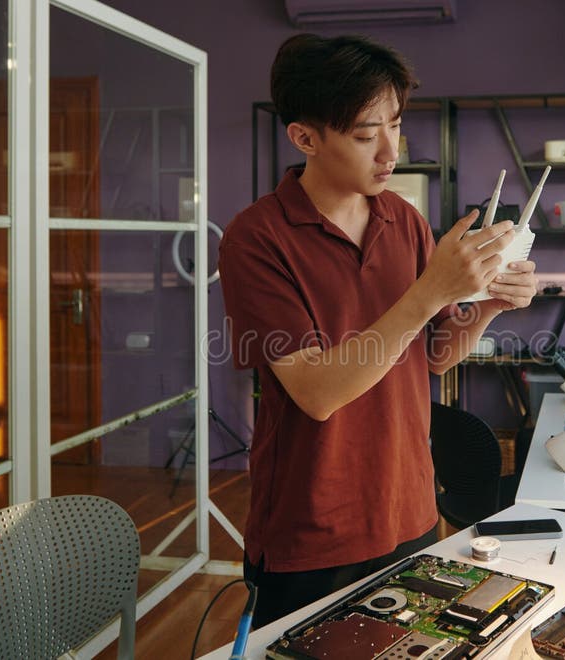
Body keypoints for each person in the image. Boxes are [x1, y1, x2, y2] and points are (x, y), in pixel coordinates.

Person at [218, 33, 538, 627]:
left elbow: (436, 357)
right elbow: (316, 393)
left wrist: (488, 305)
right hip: (312, 532)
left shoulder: (406, 221)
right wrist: (429, 292)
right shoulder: (257, 238)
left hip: (411, 509)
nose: (391, 150)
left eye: (396, 124)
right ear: (305, 138)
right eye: (367, 134)